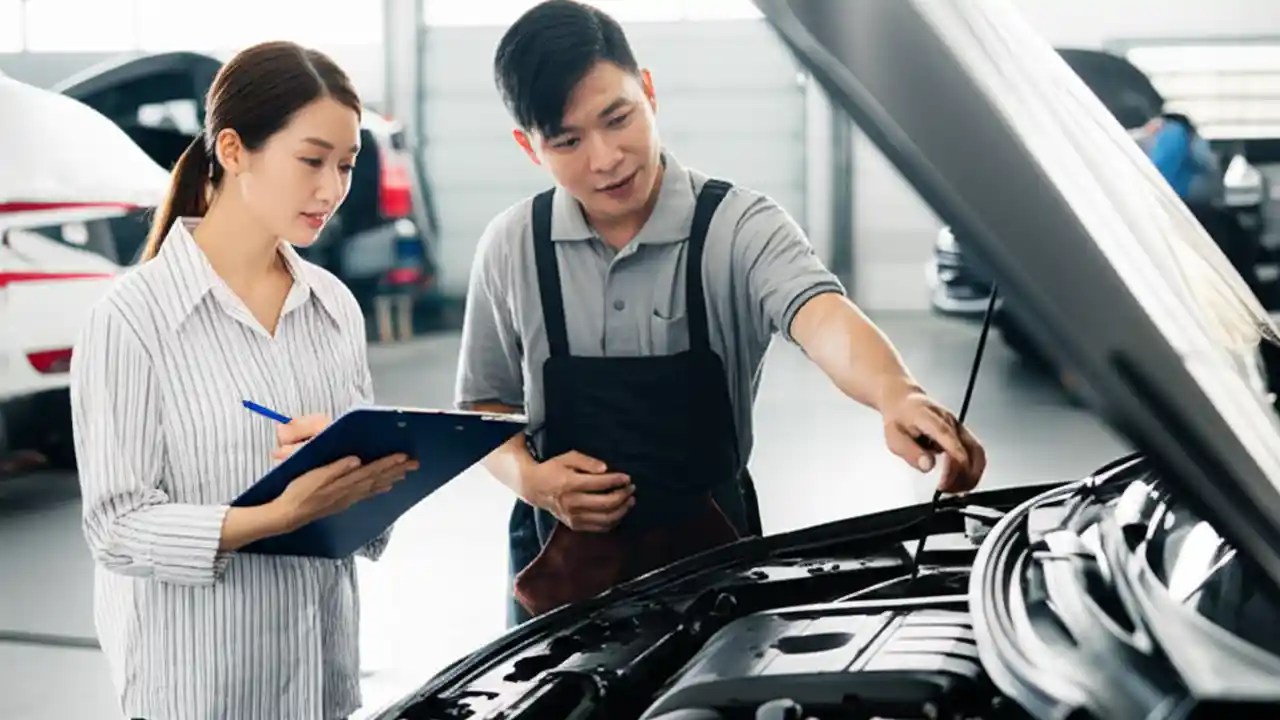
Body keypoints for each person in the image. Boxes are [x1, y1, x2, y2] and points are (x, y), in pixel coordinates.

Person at [455, 0, 987, 627]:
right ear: (529, 146)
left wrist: (896, 394)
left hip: (715, 565)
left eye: (617, 118)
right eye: (568, 141)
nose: (605, 158)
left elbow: (821, 316)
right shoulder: (512, 245)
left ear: (648, 92)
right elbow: (481, 409)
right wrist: (533, 482)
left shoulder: (738, 227)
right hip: (561, 573)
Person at [70, 41, 418, 719]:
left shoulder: (332, 308)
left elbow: (368, 528)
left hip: (319, 687)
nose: (332, 188)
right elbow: (116, 528)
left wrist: (363, 463)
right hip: (196, 694)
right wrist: (274, 517)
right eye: (311, 160)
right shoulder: (132, 318)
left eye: (346, 165)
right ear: (233, 150)